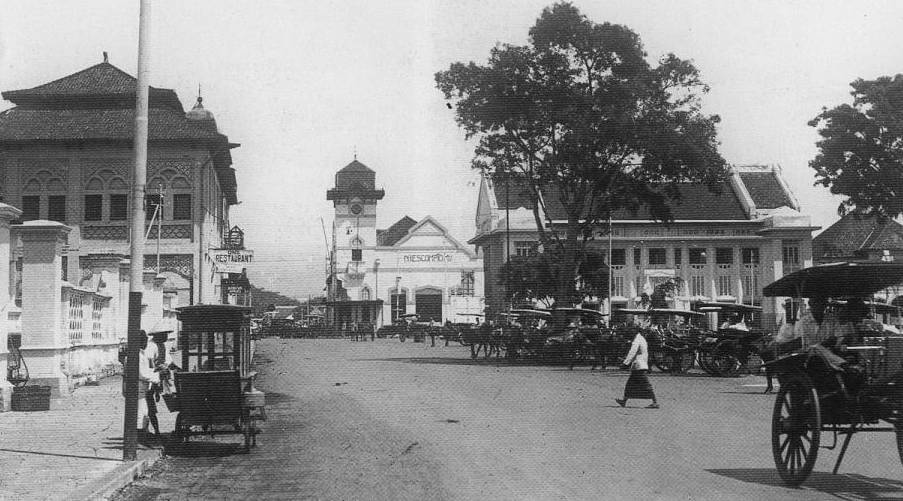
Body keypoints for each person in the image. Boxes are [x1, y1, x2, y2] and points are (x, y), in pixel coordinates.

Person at [615, 328, 659, 409]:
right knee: (630, 384)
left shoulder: (637, 340)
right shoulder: (641, 339)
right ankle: (624, 401)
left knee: (646, 384)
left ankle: (655, 402)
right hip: (639, 365)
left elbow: (632, 352)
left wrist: (625, 363)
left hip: (639, 365)